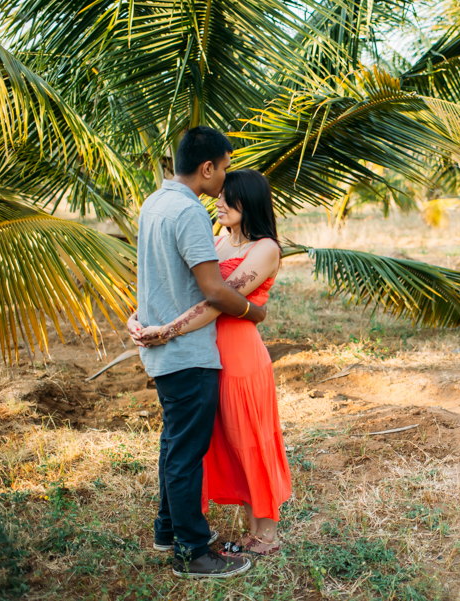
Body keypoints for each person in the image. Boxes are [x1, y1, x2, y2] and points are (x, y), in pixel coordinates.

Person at [129, 126, 263, 579]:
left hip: (163, 347)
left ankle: (167, 528)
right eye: (223, 168)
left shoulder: (154, 203)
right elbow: (212, 289)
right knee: (186, 452)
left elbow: (153, 276)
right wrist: (251, 310)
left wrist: (139, 320)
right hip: (187, 350)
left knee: (173, 443)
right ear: (206, 167)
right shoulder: (187, 211)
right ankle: (192, 552)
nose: (224, 179)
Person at [138, 169, 291, 556]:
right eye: (219, 196)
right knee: (223, 441)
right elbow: (182, 285)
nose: (218, 203)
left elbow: (219, 299)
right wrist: (142, 319)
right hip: (206, 352)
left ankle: (266, 533)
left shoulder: (266, 248)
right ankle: (250, 527)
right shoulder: (217, 239)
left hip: (240, 356)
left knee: (249, 439)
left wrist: (169, 330)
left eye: (228, 197)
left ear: (249, 202)